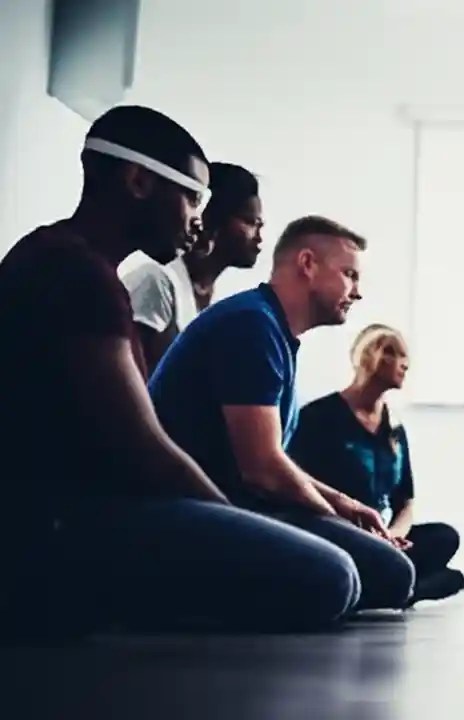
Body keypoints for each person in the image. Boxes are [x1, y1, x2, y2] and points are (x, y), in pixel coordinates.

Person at [0, 105, 360, 639]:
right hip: (58, 528)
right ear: (139, 181)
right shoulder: (76, 274)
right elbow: (142, 445)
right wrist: (236, 522)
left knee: (343, 572)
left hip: (70, 515)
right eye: (193, 197)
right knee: (331, 576)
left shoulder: (68, 261)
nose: (199, 218)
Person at [148, 215, 415, 612]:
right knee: (346, 576)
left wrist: (347, 506)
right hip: (189, 509)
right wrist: (338, 519)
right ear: (307, 264)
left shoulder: (273, 331)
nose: (356, 293)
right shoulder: (252, 324)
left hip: (237, 503)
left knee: (391, 571)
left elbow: (270, 459)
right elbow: (263, 469)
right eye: (349, 275)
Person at [289, 323, 464, 603]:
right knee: (445, 579)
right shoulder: (318, 417)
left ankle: (388, 587)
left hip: (385, 537)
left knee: (445, 538)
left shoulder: (394, 428)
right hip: (338, 531)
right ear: (370, 357)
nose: (404, 364)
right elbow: (298, 485)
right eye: (393, 353)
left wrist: (393, 536)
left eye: (405, 356)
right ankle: (394, 588)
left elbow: (405, 501)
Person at [122, 161, 265, 375]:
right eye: (250, 222)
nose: (259, 237)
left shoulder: (215, 304)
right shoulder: (157, 280)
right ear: (215, 216)